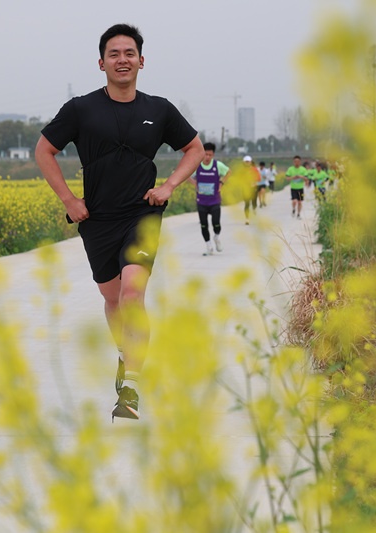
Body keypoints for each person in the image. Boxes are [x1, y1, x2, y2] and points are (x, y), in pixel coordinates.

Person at [35, 23, 204, 421]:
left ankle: (132, 386)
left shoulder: (159, 109)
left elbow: (193, 148)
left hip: (142, 214)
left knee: (132, 294)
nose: (122, 60)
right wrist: (69, 200)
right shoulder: (80, 108)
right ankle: (126, 355)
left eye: (129, 53)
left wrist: (170, 186)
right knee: (112, 301)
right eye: (114, 54)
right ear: (101, 63)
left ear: (141, 61)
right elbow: (44, 150)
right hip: (97, 219)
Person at [189, 142, 230, 255]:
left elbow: (228, 172)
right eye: (205, 154)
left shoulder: (217, 165)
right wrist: (195, 184)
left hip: (215, 200)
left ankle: (216, 237)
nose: (207, 157)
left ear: (213, 155)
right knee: (204, 225)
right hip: (201, 201)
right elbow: (186, 174)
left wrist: (221, 183)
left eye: (210, 155)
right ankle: (209, 246)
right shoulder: (196, 165)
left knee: (216, 223)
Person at [239, 155, 260, 224]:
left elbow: (259, 178)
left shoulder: (254, 169)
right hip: (245, 188)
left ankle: (254, 208)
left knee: (254, 202)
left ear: (251, 162)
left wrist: (254, 182)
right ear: (243, 162)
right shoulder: (242, 170)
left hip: (253, 187)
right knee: (247, 203)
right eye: (246, 162)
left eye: (248, 162)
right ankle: (247, 219)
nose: (247, 163)